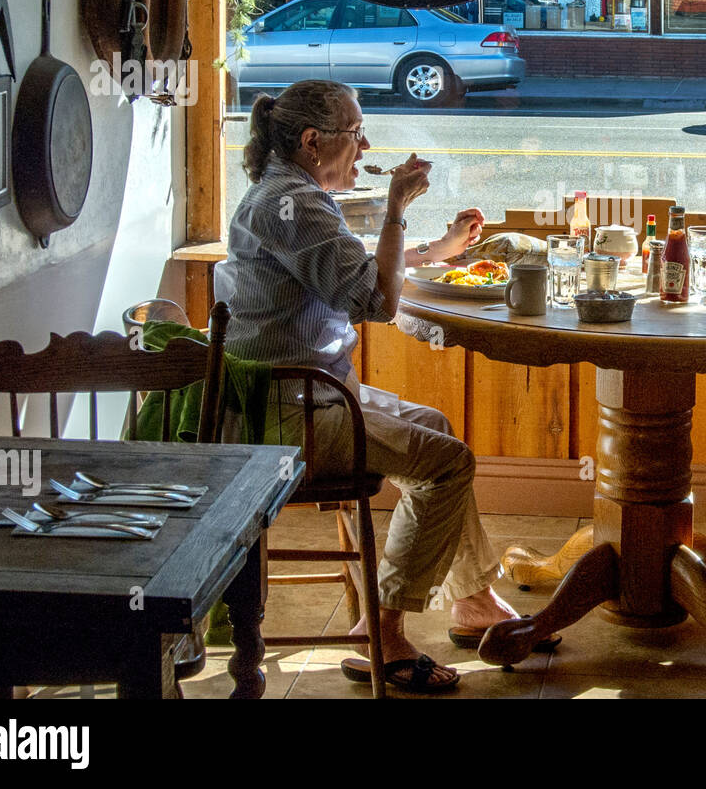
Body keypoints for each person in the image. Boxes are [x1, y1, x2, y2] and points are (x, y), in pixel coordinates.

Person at [214, 79, 529, 693]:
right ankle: (382, 632)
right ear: (312, 142)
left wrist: (439, 248)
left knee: (434, 428)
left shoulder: (290, 194)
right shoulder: (294, 204)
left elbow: (354, 265)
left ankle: (473, 599)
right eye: (355, 133)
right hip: (288, 413)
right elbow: (376, 300)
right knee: (449, 464)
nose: (365, 146)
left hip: (303, 393)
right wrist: (394, 209)